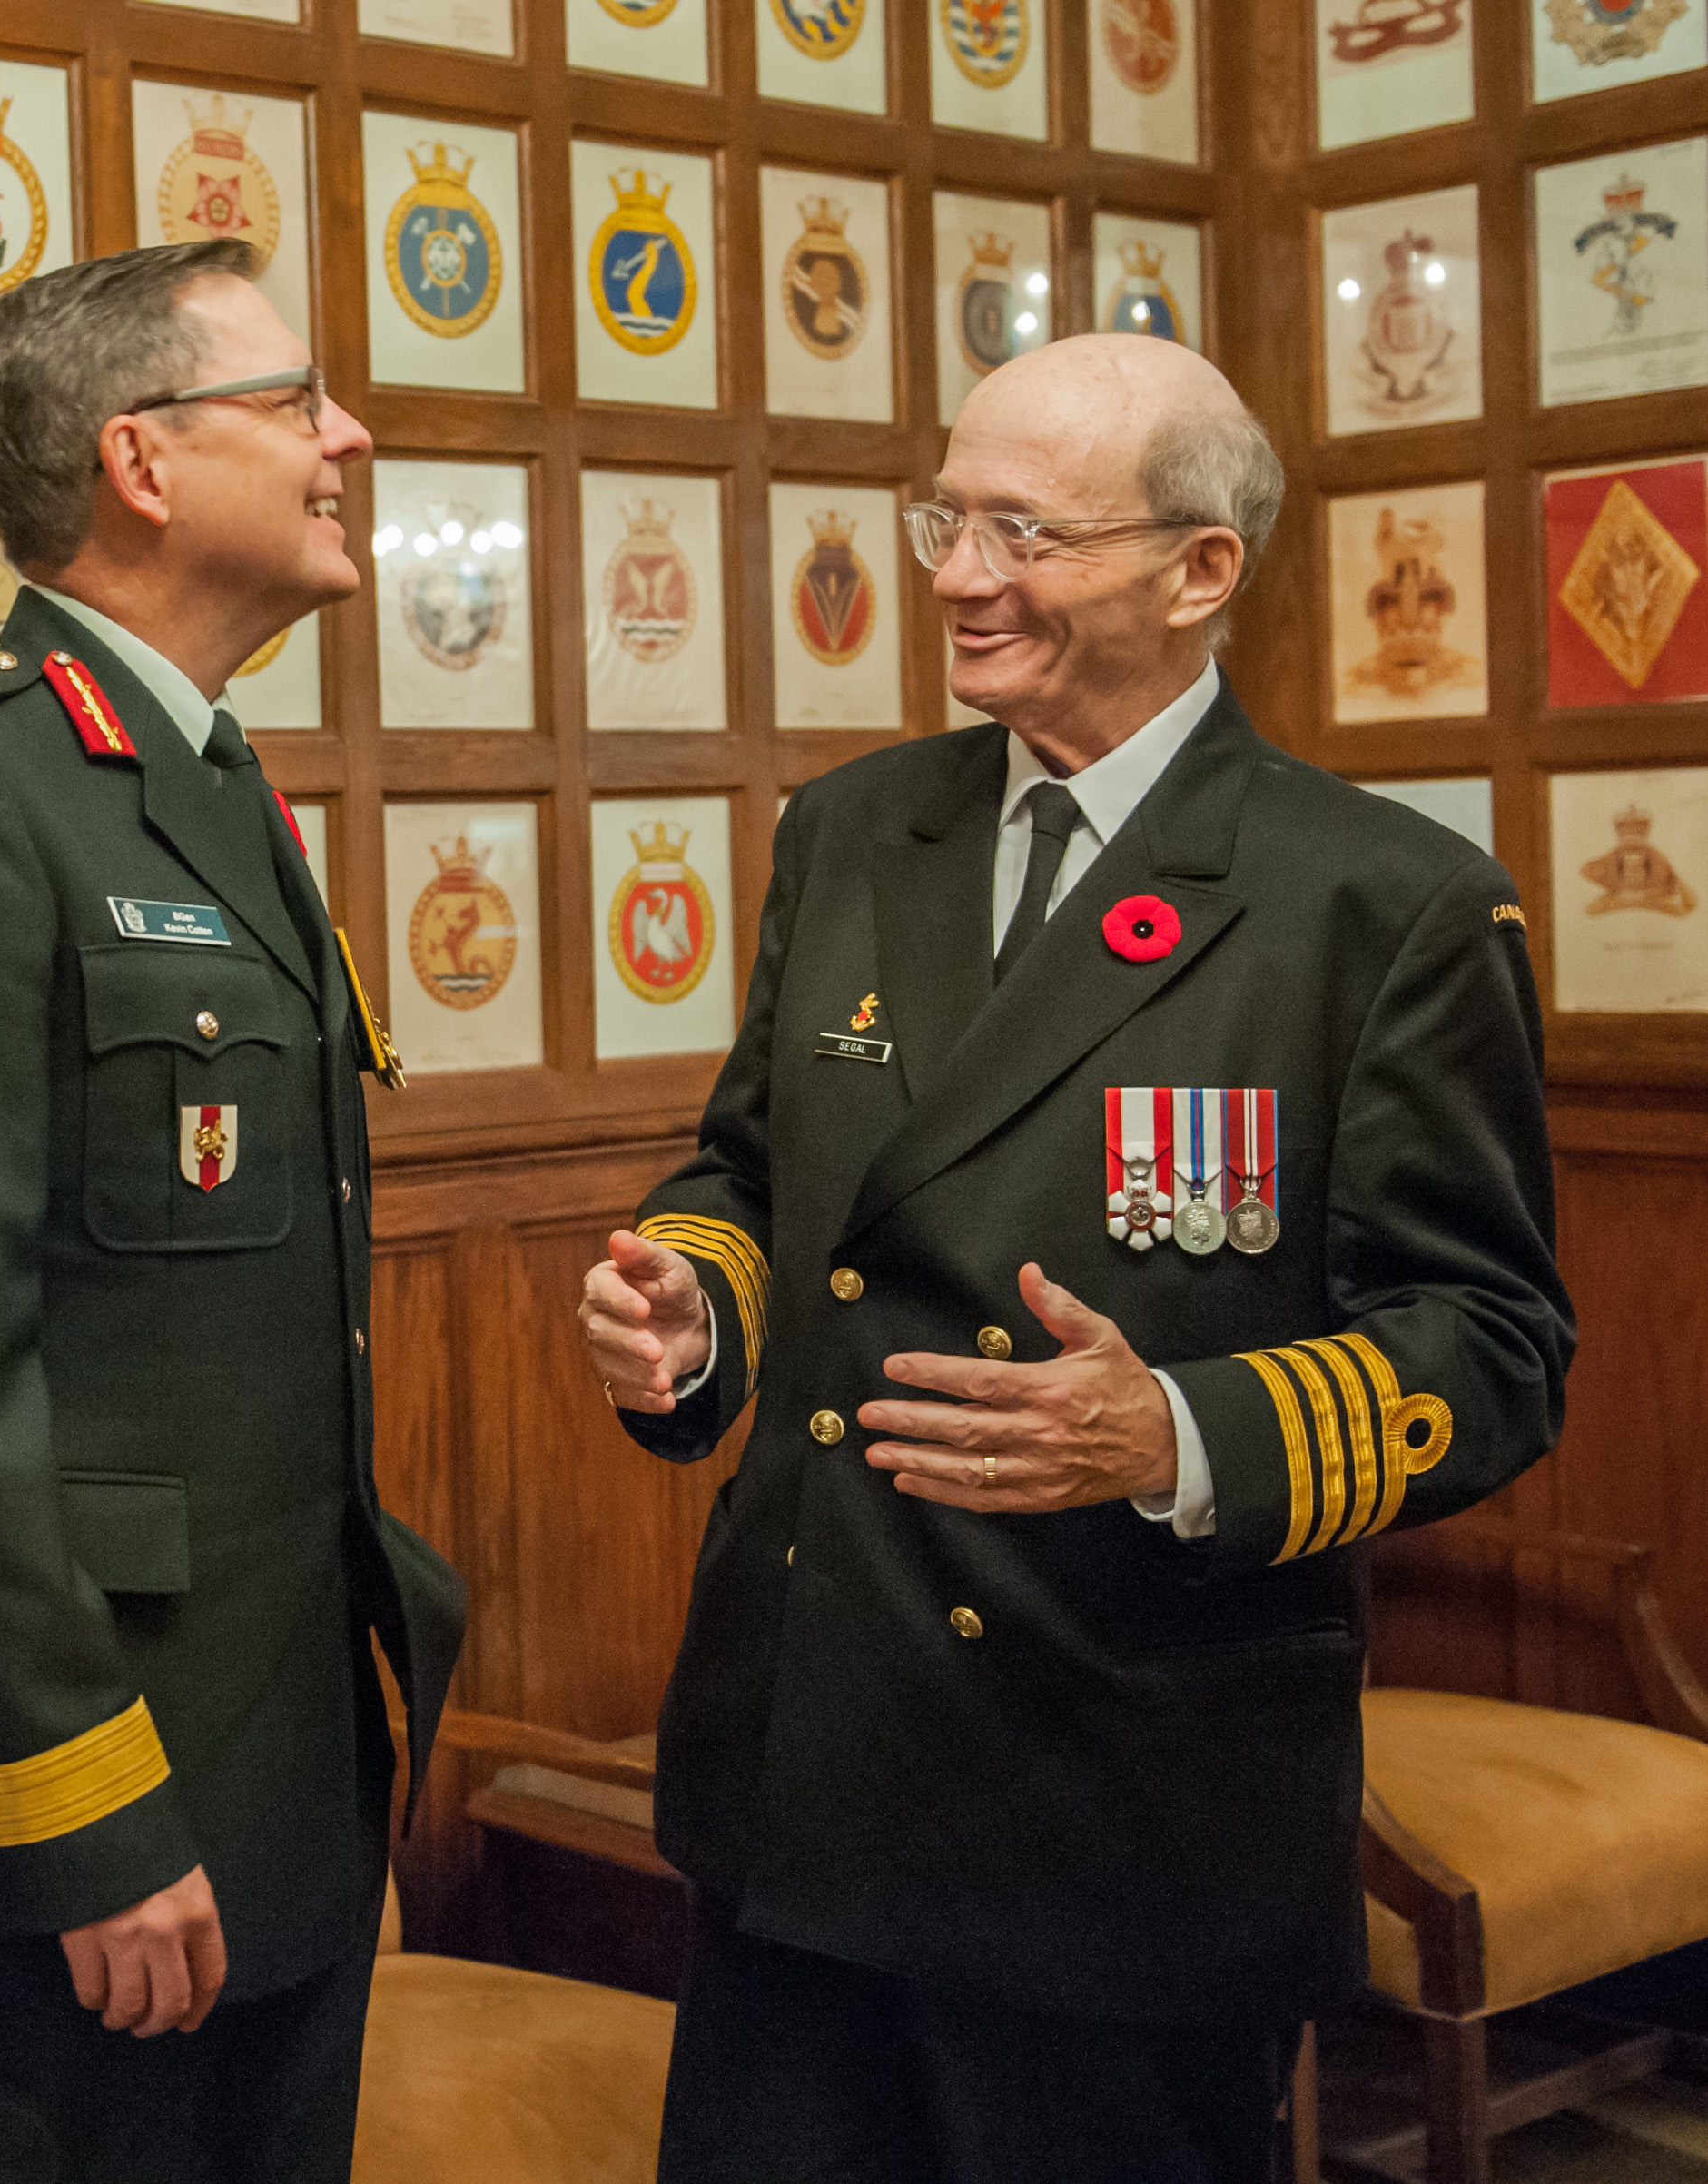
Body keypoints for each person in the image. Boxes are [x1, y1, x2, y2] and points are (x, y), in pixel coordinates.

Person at [576, 335, 1574, 2181]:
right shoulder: (856, 828)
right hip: (809, 1767)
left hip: (1114, 1802)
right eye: (945, 515)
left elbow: (1493, 1345)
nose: (956, 571)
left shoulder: (1383, 904)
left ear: (1201, 571)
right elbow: (754, 1167)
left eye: (1021, 530)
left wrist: (1178, 1435)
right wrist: (694, 1304)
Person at [0, 241, 464, 2184]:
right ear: (142, 460)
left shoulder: (208, 781)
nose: (349, 437)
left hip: (270, 1776)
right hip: (81, 1816)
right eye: (297, 400)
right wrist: (82, 1812)